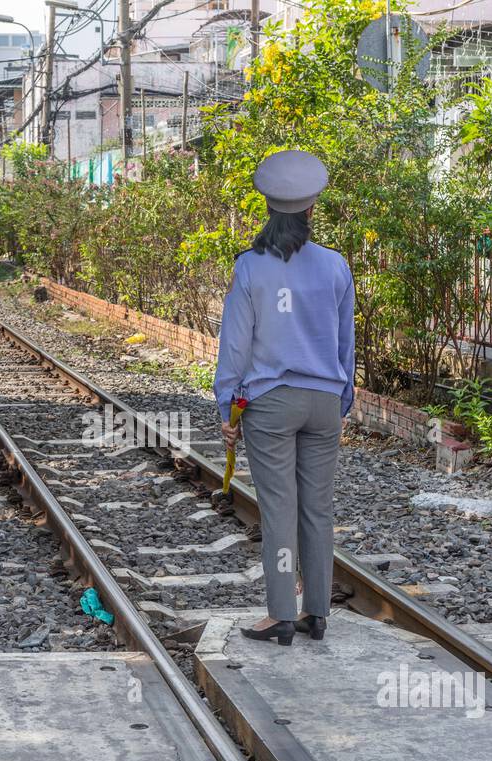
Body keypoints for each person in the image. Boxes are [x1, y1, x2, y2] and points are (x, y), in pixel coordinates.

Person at [214, 149, 356, 647]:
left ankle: (280, 614)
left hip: (272, 404)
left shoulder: (250, 269)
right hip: (324, 402)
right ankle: (317, 613)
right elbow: (345, 345)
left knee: (279, 509)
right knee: (317, 509)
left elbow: (235, 344)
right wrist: (342, 400)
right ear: (312, 208)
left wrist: (227, 405)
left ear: (269, 208)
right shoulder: (337, 267)